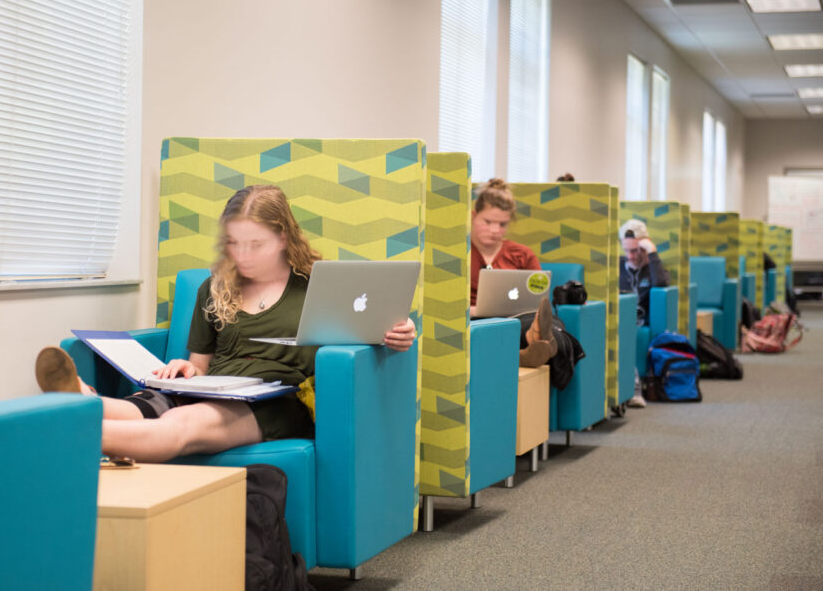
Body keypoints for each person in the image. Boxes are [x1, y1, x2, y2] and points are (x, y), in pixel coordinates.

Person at [36, 185, 417, 462]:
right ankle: (86, 403)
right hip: (213, 386)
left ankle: (73, 427)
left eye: (256, 244)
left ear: (283, 238)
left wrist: (398, 335)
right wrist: (186, 369)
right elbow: (199, 365)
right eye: (234, 243)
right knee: (136, 408)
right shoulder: (215, 287)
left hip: (275, 400)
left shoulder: (321, 286)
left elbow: (368, 334)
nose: (243, 255)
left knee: (180, 425)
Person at [470, 179, 583, 384]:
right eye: (487, 222)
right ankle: (539, 347)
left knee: (548, 322)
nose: (495, 230)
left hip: (518, 318)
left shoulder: (521, 254)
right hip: (476, 320)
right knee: (498, 328)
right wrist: (473, 310)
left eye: (502, 224)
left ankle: (538, 338)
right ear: (473, 215)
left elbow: (539, 299)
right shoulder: (460, 253)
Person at [618, 218, 670, 408]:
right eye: (626, 251)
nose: (630, 256)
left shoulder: (655, 270)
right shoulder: (617, 266)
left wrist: (652, 252)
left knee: (624, 332)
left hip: (637, 321)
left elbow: (661, 285)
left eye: (635, 250)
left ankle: (633, 390)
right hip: (617, 316)